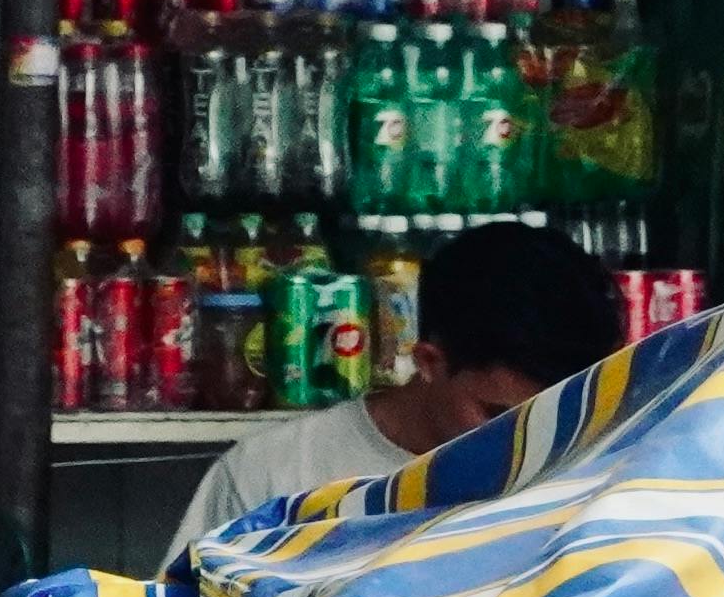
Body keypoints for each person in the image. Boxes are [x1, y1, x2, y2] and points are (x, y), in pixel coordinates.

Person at [178, 222, 623, 546]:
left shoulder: (600, 478)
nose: (529, 446)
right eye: (498, 416)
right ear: (428, 361)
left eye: (560, 416)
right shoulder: (275, 474)